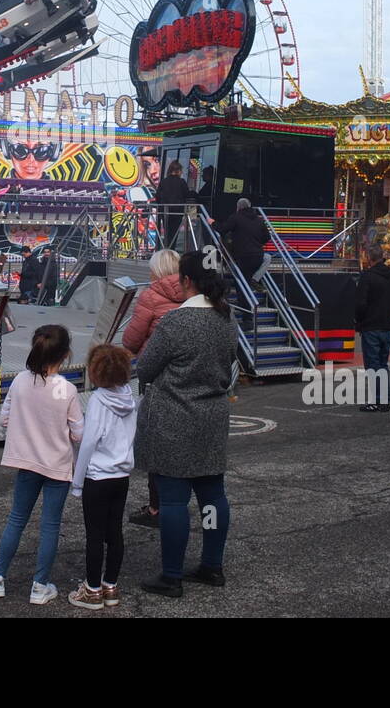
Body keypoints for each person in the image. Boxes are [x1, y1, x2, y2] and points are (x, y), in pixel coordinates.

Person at [135, 250, 234, 597]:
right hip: (212, 418)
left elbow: (145, 367)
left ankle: (172, 574)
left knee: (175, 501)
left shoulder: (176, 323)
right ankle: (211, 564)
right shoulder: (226, 318)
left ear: (187, 281)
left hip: (174, 420)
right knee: (212, 497)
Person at [0, 325, 83, 605]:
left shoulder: (20, 381)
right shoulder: (67, 389)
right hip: (58, 465)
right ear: (65, 354)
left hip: (27, 461)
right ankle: (40, 585)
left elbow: (4, 418)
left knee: (17, 519)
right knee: (50, 525)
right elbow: (78, 433)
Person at [68, 343, 137, 609]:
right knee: (115, 531)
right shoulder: (129, 397)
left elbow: (88, 443)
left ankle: (92, 589)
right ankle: (111, 585)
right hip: (121, 474)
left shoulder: (98, 400)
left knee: (94, 534)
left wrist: (77, 481)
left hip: (97, 476)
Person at [121, 248, 186, 528]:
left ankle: (157, 508)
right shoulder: (192, 295)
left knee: (154, 444)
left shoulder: (150, 296)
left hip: (156, 378)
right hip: (186, 377)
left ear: (156, 270)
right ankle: (177, 503)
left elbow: (132, 339)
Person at [356, 242, 390, 412]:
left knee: (373, 364)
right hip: (386, 325)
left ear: (369, 258)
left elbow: (360, 303)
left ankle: (377, 399)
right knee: (383, 364)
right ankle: (384, 399)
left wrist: (360, 321)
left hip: (371, 325)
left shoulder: (367, 277)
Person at [212, 197, 270, 284]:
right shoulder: (260, 220)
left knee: (239, 278)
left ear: (238, 208)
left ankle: (244, 290)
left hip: (242, 257)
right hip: (257, 256)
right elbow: (267, 237)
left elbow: (222, 229)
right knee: (268, 258)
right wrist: (257, 244)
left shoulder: (235, 218)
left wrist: (212, 223)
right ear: (250, 206)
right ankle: (255, 279)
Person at [153, 159, 190, 250]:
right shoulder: (181, 182)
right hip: (177, 212)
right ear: (178, 171)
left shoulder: (164, 181)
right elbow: (187, 195)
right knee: (174, 234)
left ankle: (166, 251)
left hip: (165, 211)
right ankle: (171, 251)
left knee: (167, 233)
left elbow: (157, 196)